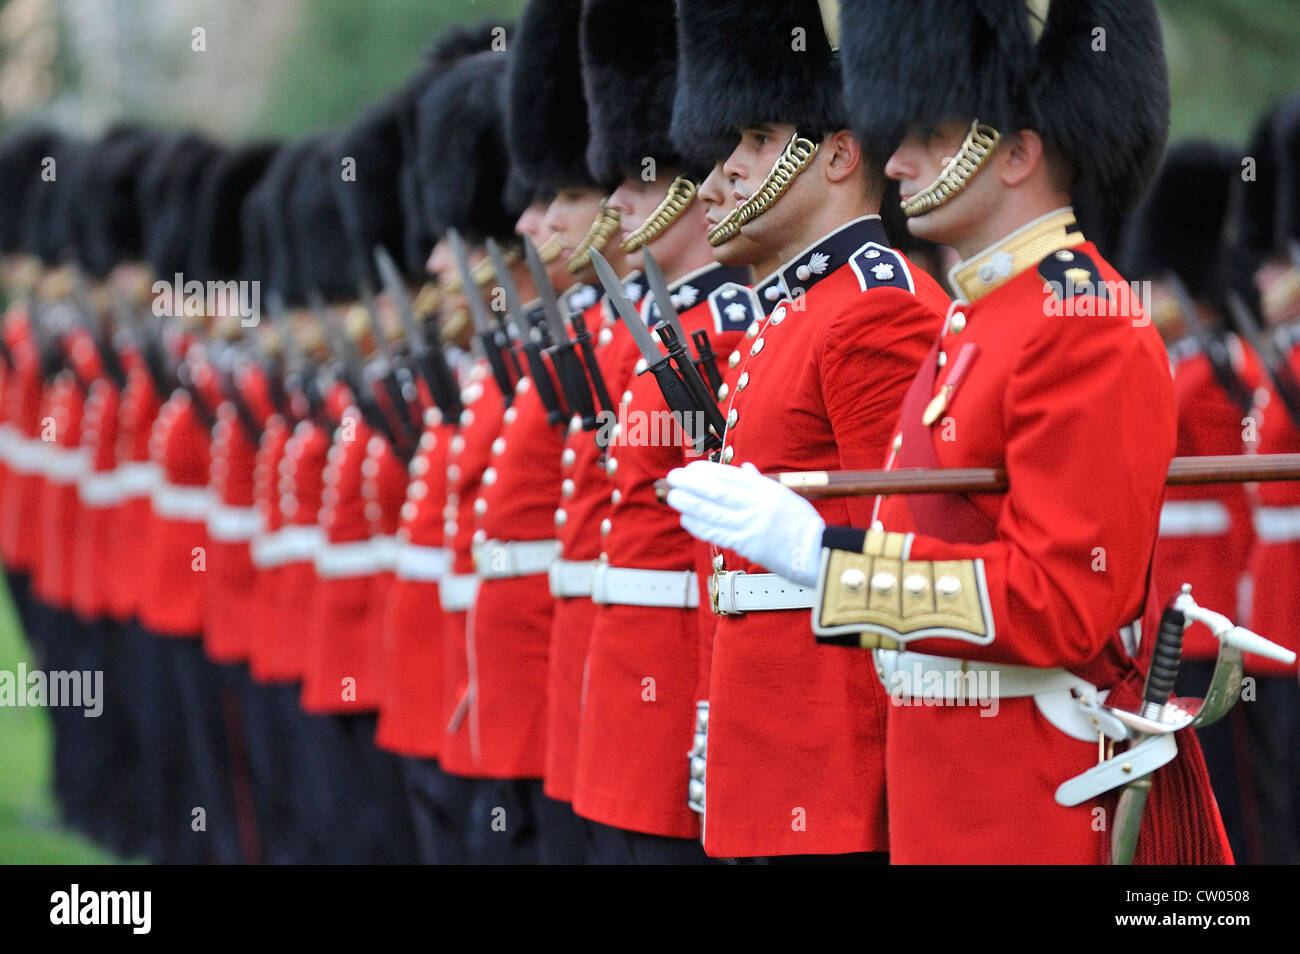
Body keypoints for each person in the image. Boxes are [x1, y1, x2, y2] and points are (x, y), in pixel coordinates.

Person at [669, 0, 1232, 864]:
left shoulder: (1083, 320)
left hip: (1028, 797)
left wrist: (827, 563)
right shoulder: (982, 322)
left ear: (1017, 149)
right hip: (946, 795)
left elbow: (1059, 603)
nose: (896, 160)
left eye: (929, 132)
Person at [665, 0, 949, 862]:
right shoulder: (792, 314)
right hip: (771, 750)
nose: (726, 171)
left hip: (835, 763)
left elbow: (902, 567)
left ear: (835, 151)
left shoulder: (875, 308)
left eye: (755, 140)